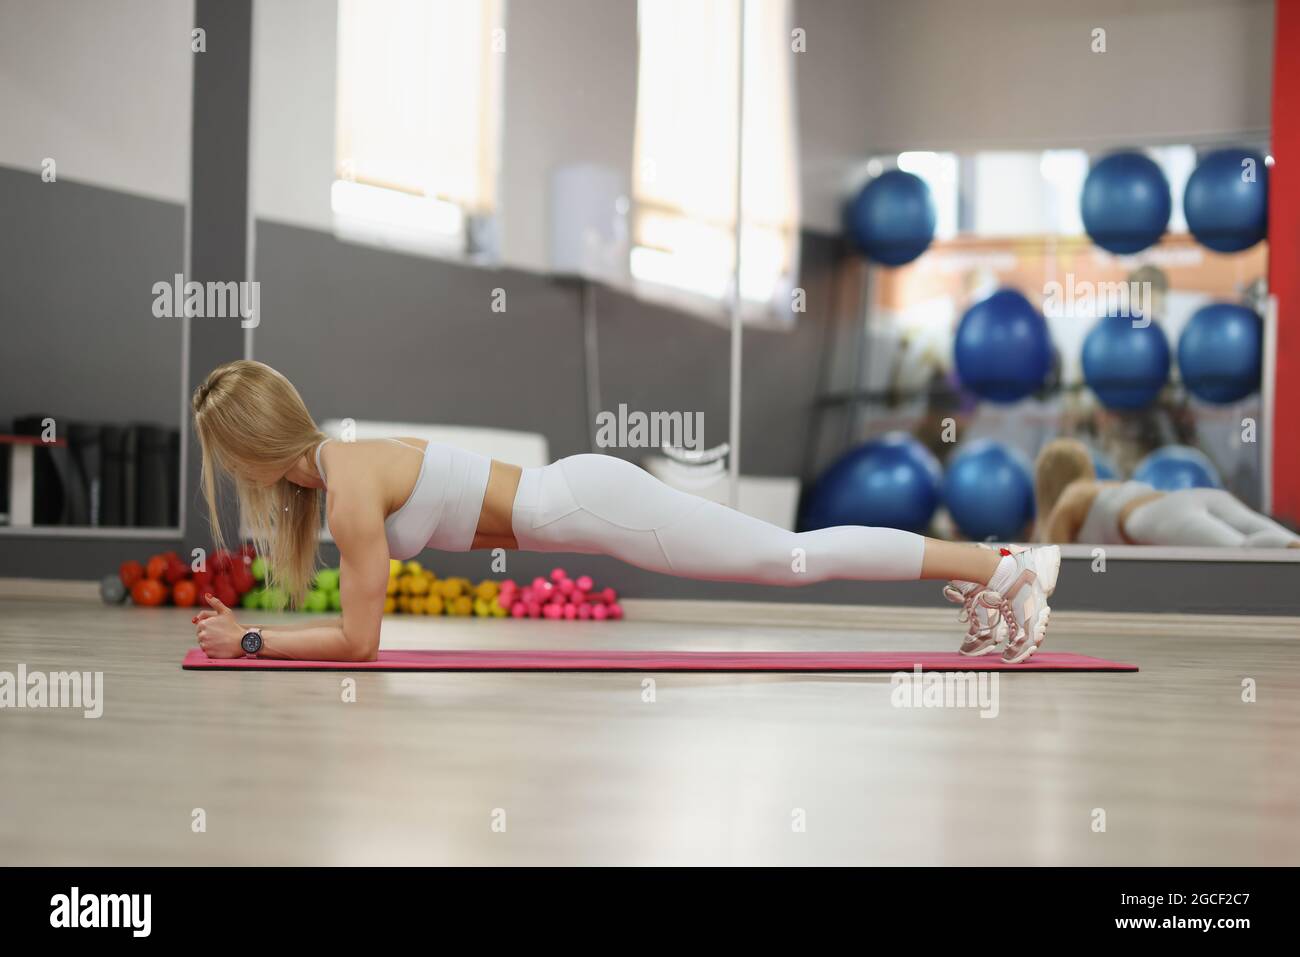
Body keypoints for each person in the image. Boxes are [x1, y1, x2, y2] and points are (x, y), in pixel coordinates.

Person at [189, 360, 1060, 665]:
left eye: (222, 456)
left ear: (248, 445)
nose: (225, 473)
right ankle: (997, 569)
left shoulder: (345, 486)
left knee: (791, 554)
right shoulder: (341, 467)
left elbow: (361, 642)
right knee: (791, 552)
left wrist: (250, 641)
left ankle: (1003, 567)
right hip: (582, 500)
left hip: (590, 504)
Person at [1034, 438, 1300, 548]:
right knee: (1285, 545)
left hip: (1162, 515)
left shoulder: (1072, 495)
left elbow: (1051, 567)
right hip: (1196, 497)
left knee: (1244, 553)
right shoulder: (1102, 487)